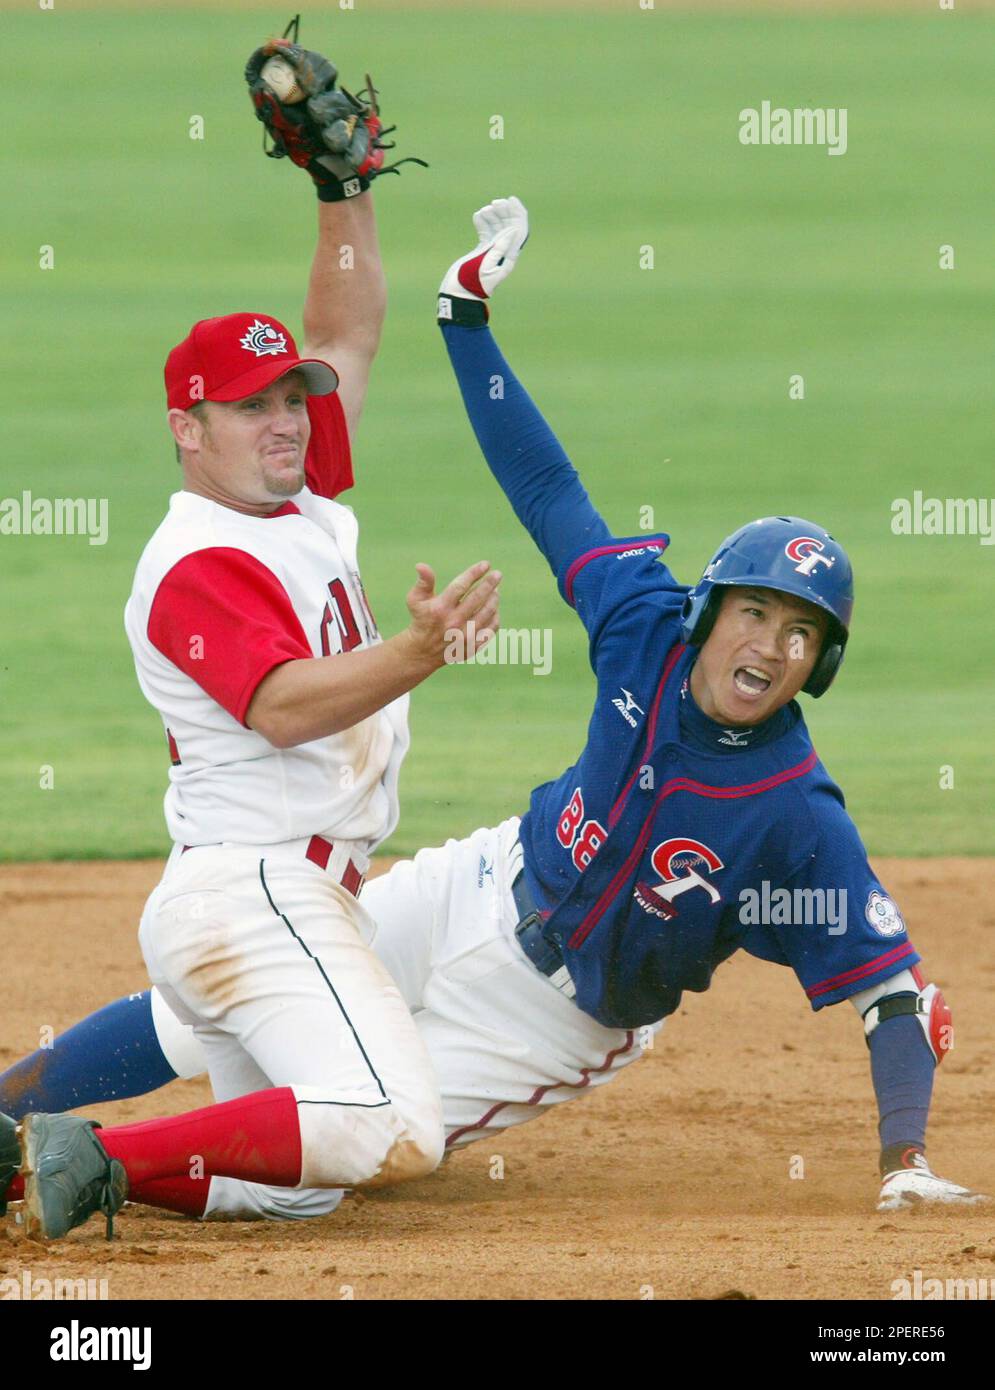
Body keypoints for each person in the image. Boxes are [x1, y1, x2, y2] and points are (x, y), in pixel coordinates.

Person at [1, 199, 982, 1236]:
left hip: (552, 1018)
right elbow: (544, 484)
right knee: (237, 1018)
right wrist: (465, 324)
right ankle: (15, 1112)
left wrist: (905, 1156)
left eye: (800, 635)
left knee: (331, 1165)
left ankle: (71, 1164)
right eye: (752, 612)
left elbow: (889, 989)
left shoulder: (795, 811)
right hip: (473, 883)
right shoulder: (641, 623)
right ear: (709, 612)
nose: (768, 646)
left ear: (818, 664)